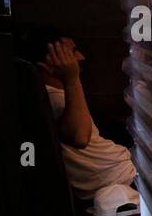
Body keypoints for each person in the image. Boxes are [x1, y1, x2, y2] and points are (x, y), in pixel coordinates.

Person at [17, 27, 138, 203]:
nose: (81, 57)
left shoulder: (57, 94)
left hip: (125, 168)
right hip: (121, 179)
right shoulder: (52, 99)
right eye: (72, 52)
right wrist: (72, 78)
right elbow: (79, 137)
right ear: (49, 61)